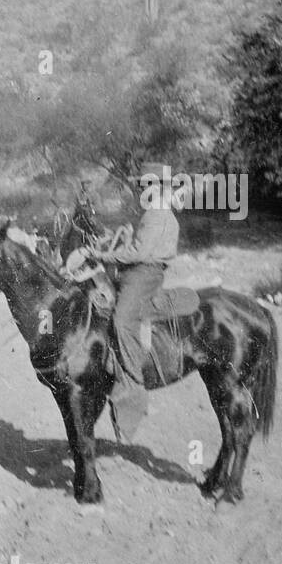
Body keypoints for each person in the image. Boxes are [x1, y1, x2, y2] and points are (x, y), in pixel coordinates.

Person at [84, 188, 181, 440]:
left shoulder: (156, 214)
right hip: (140, 271)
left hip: (143, 274)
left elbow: (138, 253)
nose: (141, 190)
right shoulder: (158, 213)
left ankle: (133, 381)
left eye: (145, 185)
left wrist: (103, 255)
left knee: (122, 319)